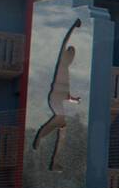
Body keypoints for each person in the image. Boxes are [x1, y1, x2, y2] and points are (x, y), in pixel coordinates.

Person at [32, 19, 82, 171]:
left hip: (60, 99)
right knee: (60, 119)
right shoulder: (61, 62)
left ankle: (55, 162)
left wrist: (74, 100)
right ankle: (40, 134)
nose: (71, 57)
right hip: (54, 97)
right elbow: (65, 40)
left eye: (73, 55)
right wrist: (74, 26)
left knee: (63, 129)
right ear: (66, 54)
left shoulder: (67, 71)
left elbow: (67, 96)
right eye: (70, 53)